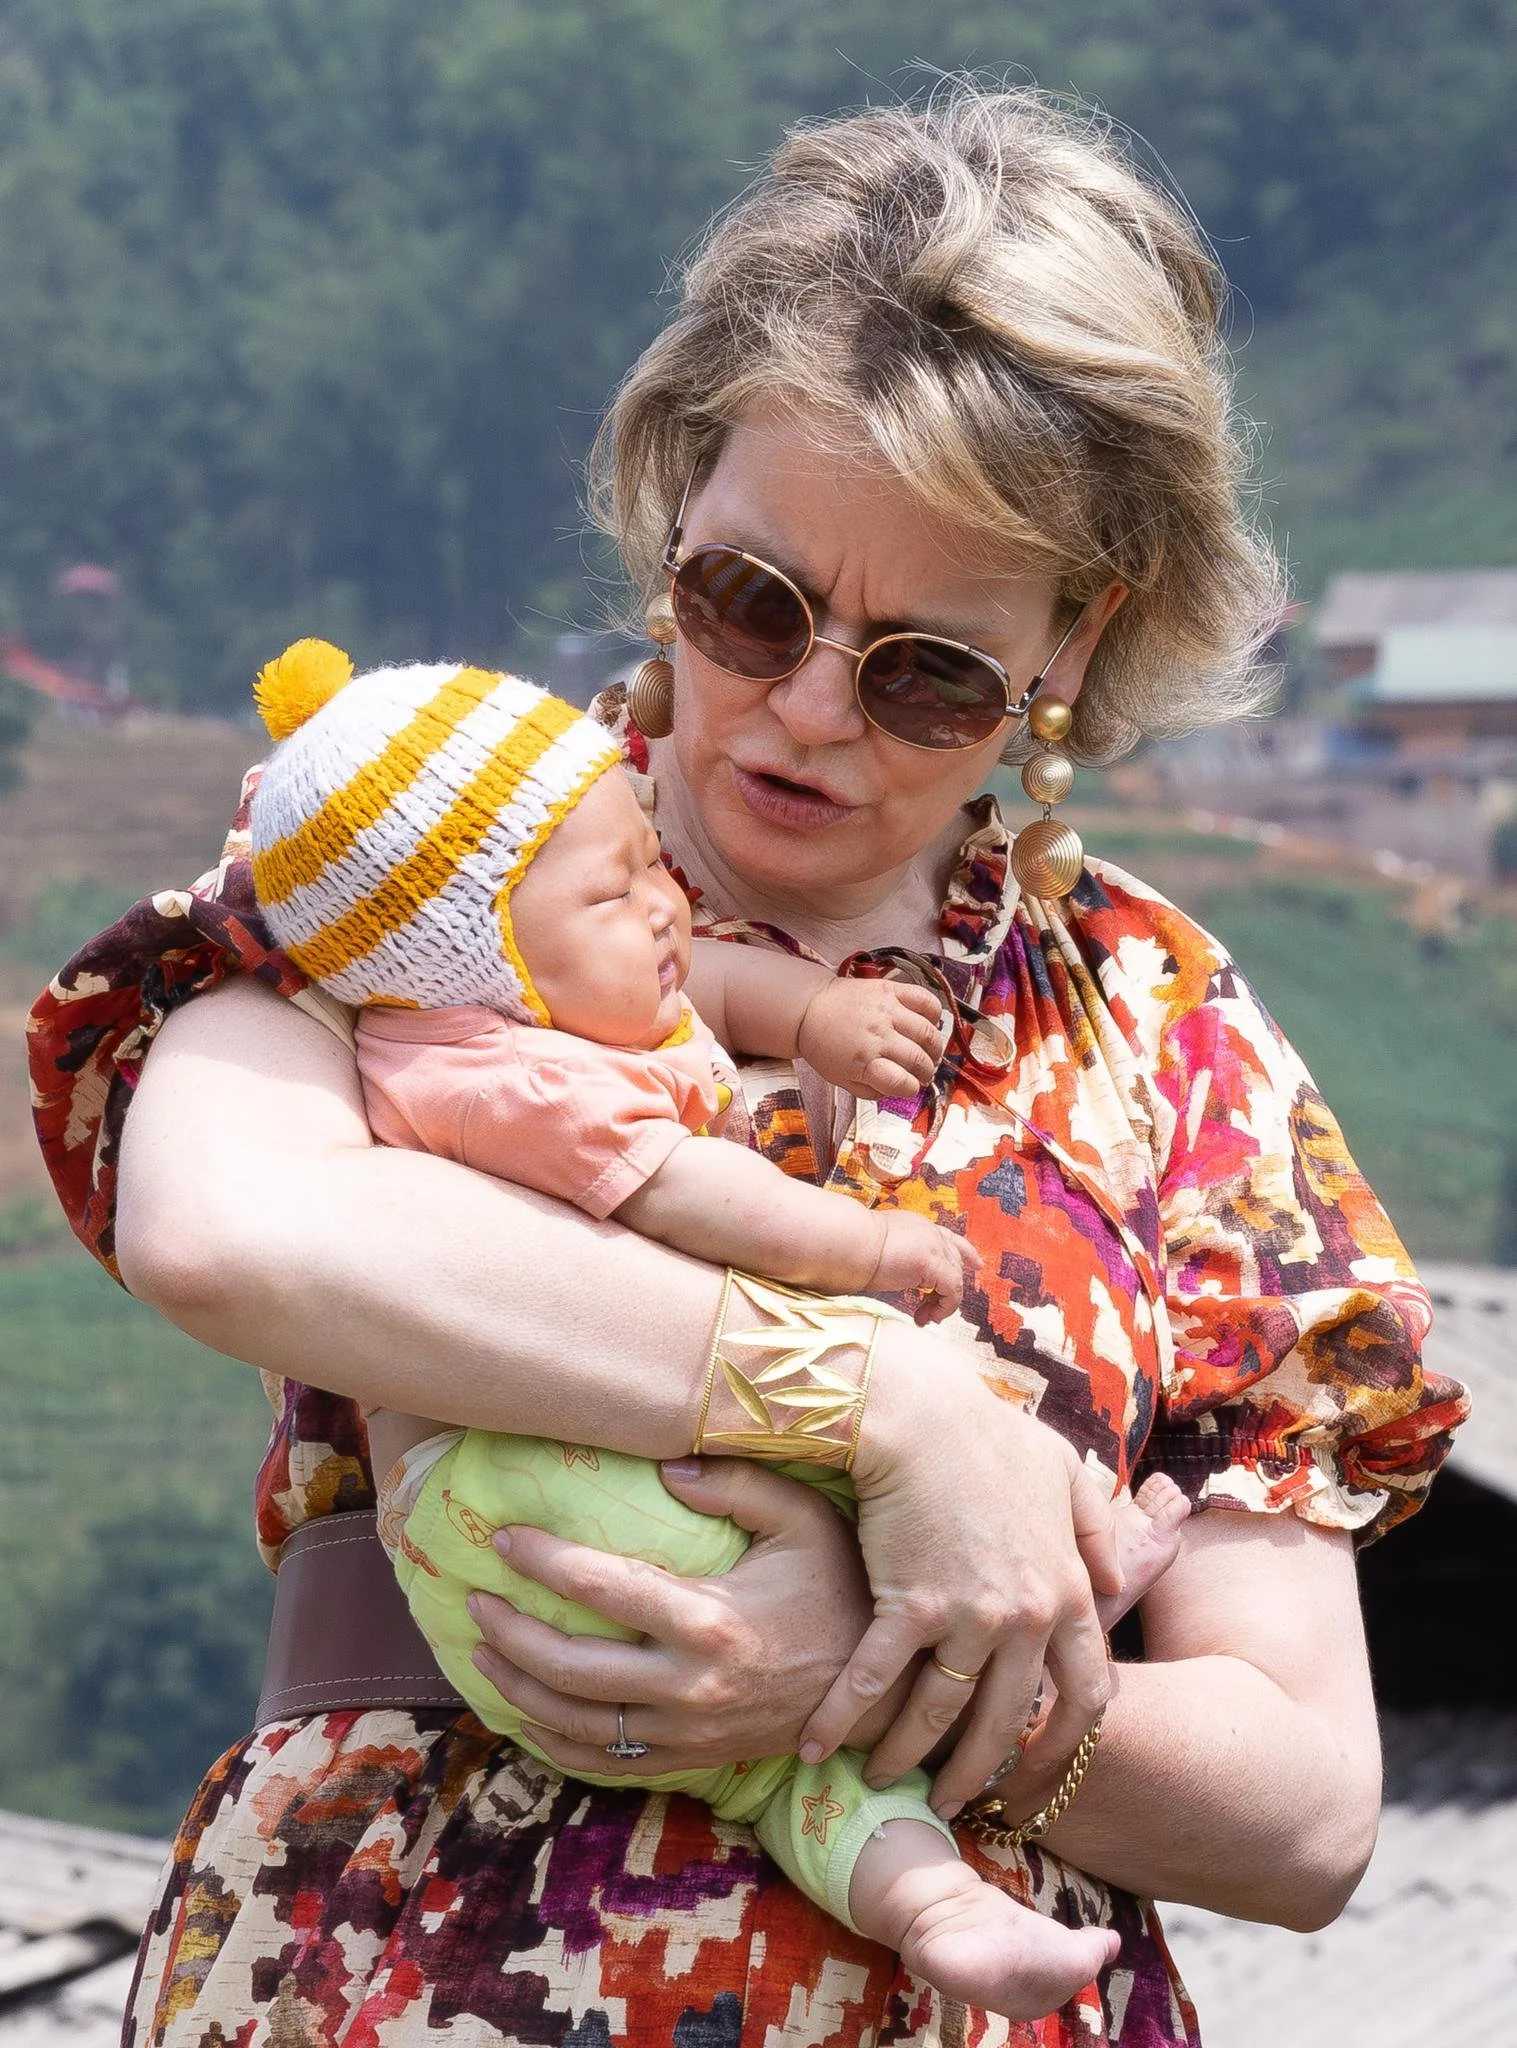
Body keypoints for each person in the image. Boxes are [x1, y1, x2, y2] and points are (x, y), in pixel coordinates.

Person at [28, 84, 1468, 2048]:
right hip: (388, 1979)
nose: (801, 710)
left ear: (1071, 639)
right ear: (674, 501)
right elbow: (225, 1226)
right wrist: (884, 1401)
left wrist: (847, 1684)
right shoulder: (433, 833)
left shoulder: (1161, 1018)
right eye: (749, 602)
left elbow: (1305, 1805)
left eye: (922, 672)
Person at [242, 638, 1190, 2017]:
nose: (664, 905)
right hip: (533, 1500)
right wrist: (869, 1247)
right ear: (480, 960)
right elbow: (710, 1200)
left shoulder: (587, 1001)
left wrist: (815, 1008)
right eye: (616, 889)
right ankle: (1071, 1574)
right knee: (916, 1409)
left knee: (790, 1763)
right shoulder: (509, 1082)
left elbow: (712, 992)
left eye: (648, 863)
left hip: (583, 1491)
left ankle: (937, 1900)